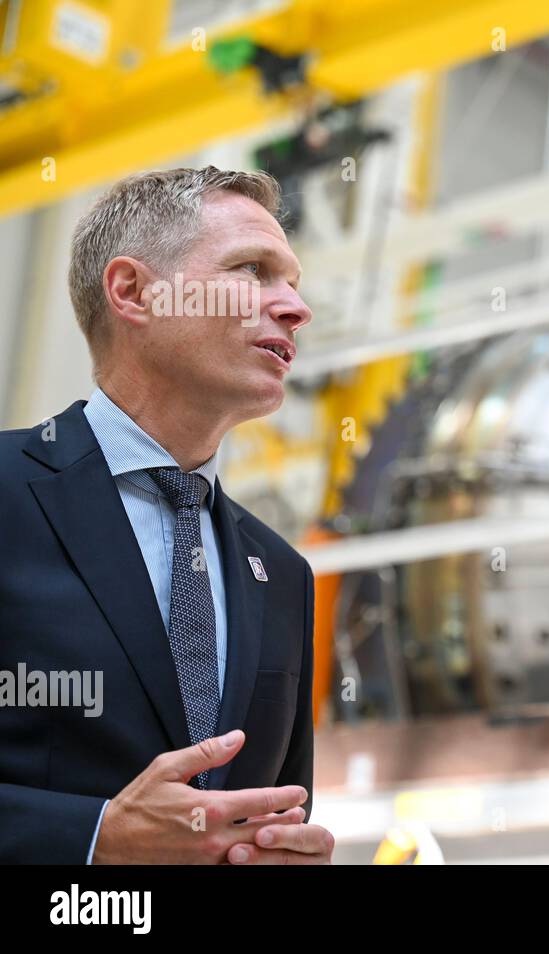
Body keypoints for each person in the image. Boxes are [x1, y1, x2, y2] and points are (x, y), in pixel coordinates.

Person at [0, 167, 333, 864]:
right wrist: (93, 842)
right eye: (253, 270)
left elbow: (276, 805)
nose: (294, 307)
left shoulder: (284, 572)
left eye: (293, 284)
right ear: (133, 292)